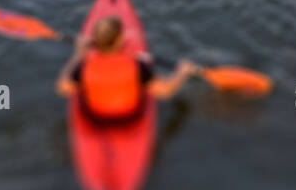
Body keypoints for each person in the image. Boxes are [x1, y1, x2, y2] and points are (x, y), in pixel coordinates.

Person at [55, 15, 197, 124]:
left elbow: (62, 88)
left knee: (82, 88)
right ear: (120, 40)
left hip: (95, 117)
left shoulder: (84, 65)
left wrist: (78, 54)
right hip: (129, 117)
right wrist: (182, 73)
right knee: (144, 83)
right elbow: (165, 92)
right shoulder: (138, 65)